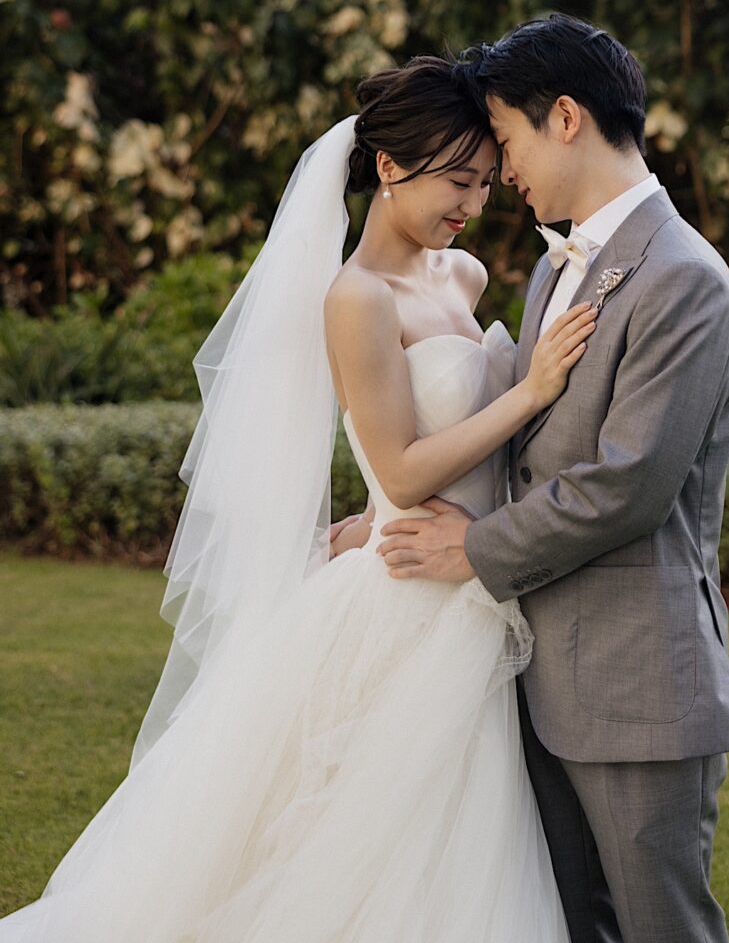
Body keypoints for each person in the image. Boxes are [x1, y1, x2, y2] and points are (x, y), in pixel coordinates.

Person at [0, 55, 593, 942]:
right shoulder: (355, 299)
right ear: (390, 169)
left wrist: (377, 519)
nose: (472, 201)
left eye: (482, 178)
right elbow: (398, 469)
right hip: (404, 599)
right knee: (361, 840)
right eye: (455, 180)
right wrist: (530, 390)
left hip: (465, 574)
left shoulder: (460, 276)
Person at [377, 13, 729, 943]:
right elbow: (519, 445)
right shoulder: (562, 267)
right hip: (539, 671)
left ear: (564, 117)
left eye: (504, 141)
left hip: (637, 686)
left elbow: (625, 483)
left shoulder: (685, 279)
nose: (502, 171)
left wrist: (468, 546)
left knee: (658, 926)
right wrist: (389, 516)